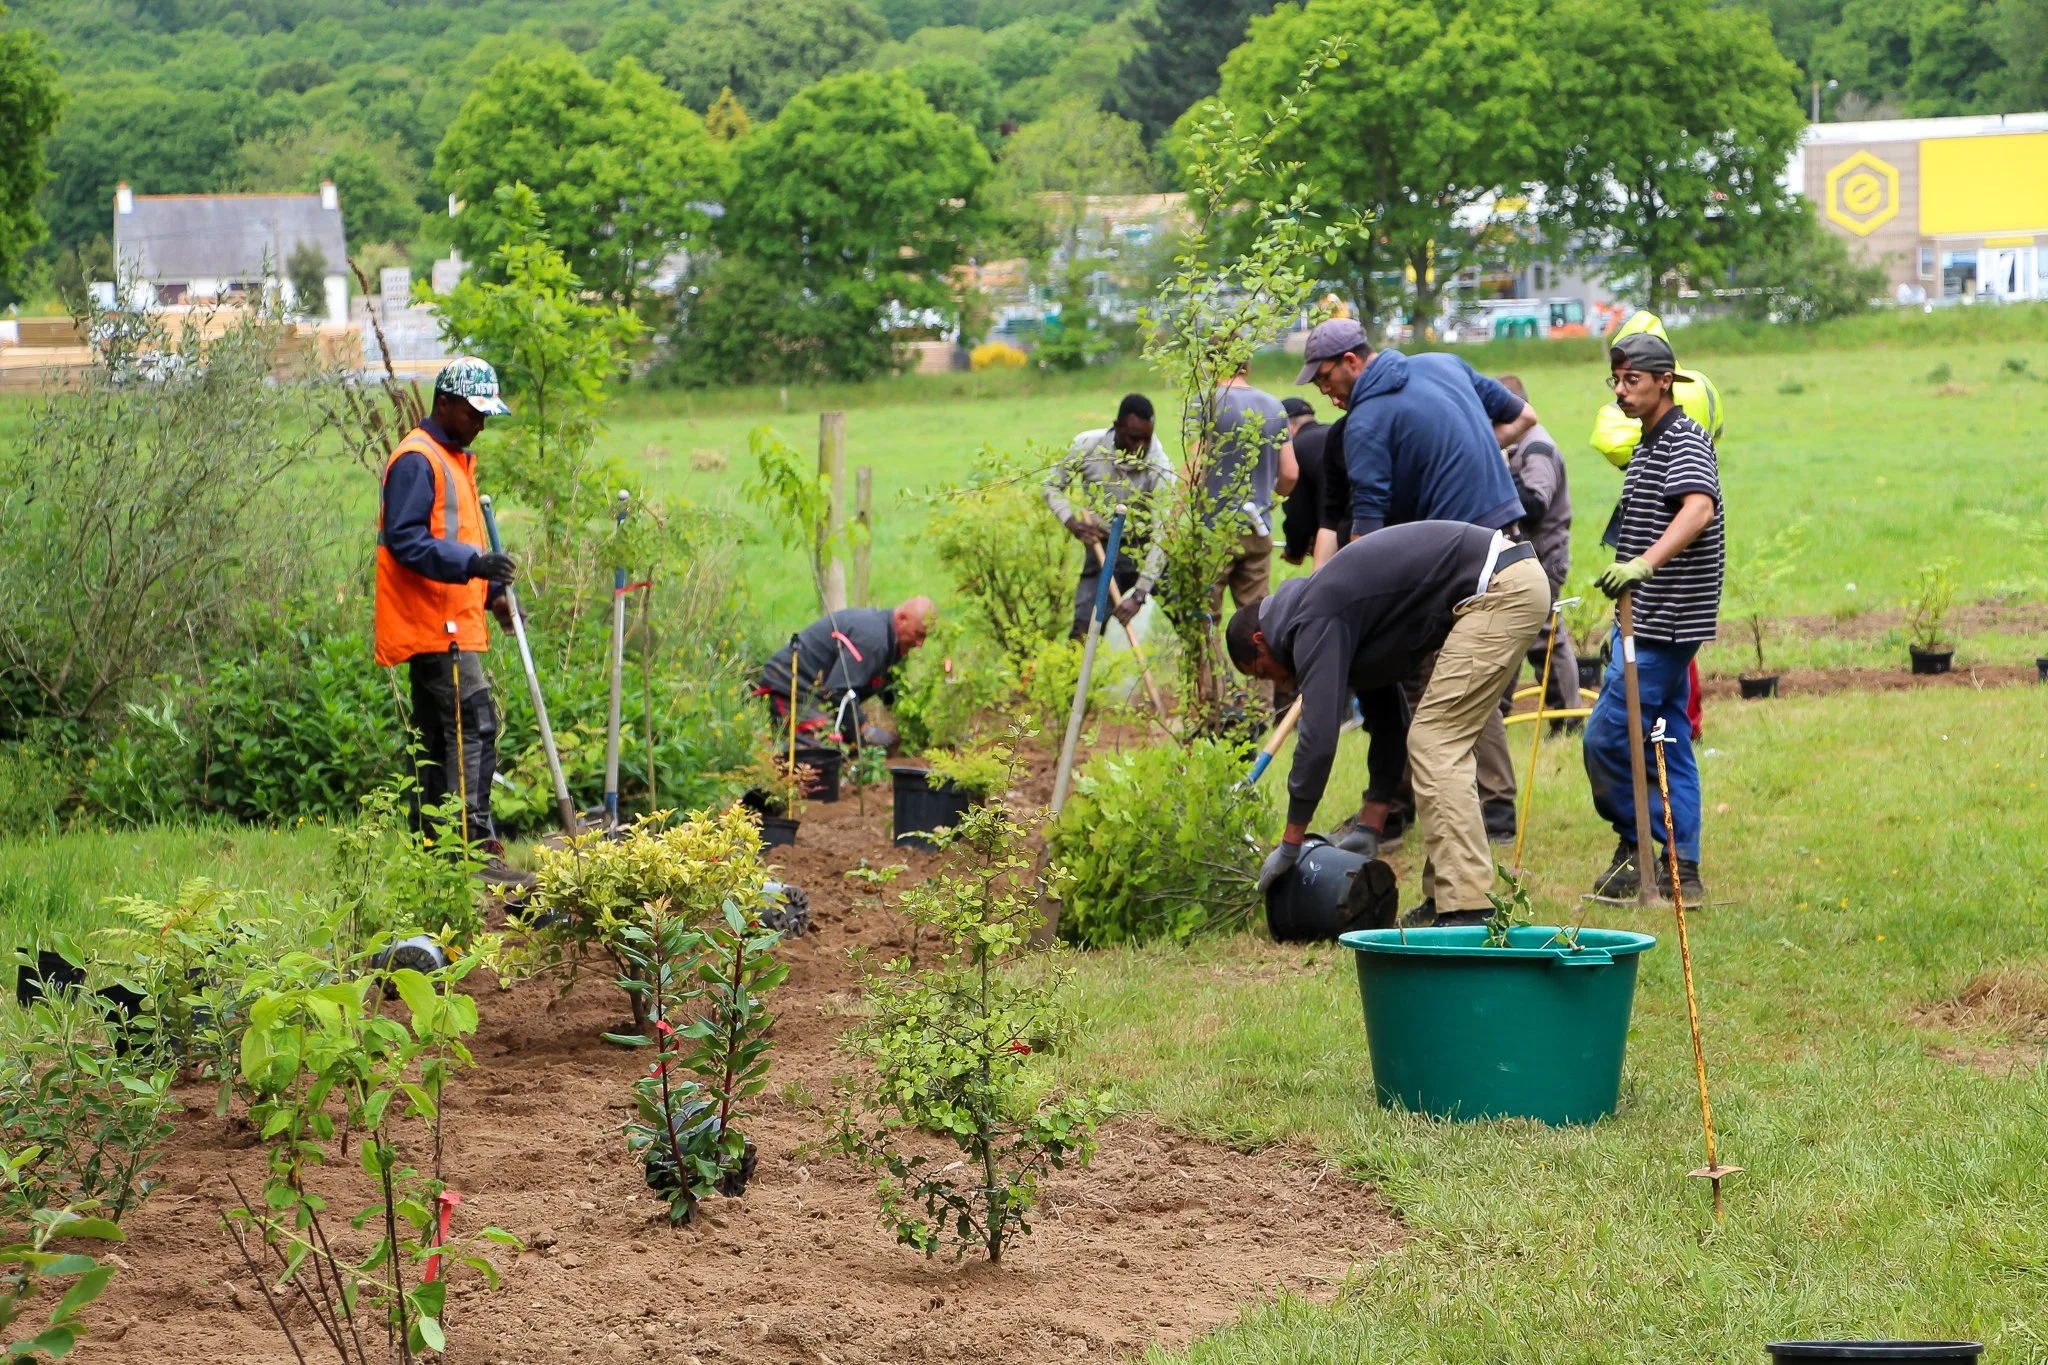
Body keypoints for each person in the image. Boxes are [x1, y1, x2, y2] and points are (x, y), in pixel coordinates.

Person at [1228, 522, 1549, 927]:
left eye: (1261, 672)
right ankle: (1446, 897)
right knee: (1434, 739)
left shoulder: (1312, 618)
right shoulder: (1330, 616)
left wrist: (1291, 844)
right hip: (1507, 582)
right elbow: (1388, 722)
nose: (1274, 682)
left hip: (1500, 588)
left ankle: (1467, 909)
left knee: (1436, 742)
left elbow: (1319, 739)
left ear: (1260, 640)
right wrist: (1372, 821)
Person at [1295, 317, 1534, 848]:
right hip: (1507, 540)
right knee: (1438, 678)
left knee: (1447, 679)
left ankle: (1491, 810)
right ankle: (1398, 806)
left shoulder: (1366, 422)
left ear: (1352, 362)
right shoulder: (1443, 365)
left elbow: (1369, 539)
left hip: (1457, 565)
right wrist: (1464, 454)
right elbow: (1523, 417)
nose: (1322, 389)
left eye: (1325, 377)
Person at [1583, 332, 1724, 904]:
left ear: (1664, 379)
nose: (1621, 390)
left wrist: (1643, 564)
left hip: (1667, 620)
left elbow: (1698, 507)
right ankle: (1680, 870)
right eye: (1615, 380)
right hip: (1643, 617)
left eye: (1631, 380)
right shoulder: (1646, 442)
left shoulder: (1684, 439)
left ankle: (1636, 844)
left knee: (1606, 738)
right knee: (1668, 743)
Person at [374, 358, 528, 880]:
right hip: (434, 628)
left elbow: (450, 543)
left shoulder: (452, 459)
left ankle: (440, 854)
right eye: (474, 412)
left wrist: (489, 595)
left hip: (455, 623)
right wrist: (474, 565)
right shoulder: (419, 460)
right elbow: (408, 540)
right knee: (471, 727)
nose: (482, 423)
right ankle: (468, 852)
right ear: (445, 404)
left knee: (448, 737)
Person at [1043, 393, 1174, 635]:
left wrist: (1140, 593)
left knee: (1190, 620)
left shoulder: (1160, 467)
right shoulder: (1087, 447)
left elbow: (1163, 532)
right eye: (1134, 438)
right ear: (1117, 427)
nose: (1140, 447)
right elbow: (1051, 485)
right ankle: (1077, 673)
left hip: (1147, 548)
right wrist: (1071, 522)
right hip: (1103, 550)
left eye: (1146, 439)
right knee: (1083, 630)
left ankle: (1204, 672)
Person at [1497, 374, 1576, 718]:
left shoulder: (1536, 448)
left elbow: (1536, 504)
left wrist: (1500, 474)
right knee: (1521, 631)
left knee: (1544, 636)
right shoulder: (1521, 445)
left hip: (1544, 557)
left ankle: (1568, 716)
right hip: (1531, 555)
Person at [757, 597, 935, 741]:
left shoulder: (891, 643)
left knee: (840, 741)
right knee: (820, 750)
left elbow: (890, 691)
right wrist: (864, 729)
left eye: (925, 637)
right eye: (918, 635)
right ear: (902, 619)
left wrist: (913, 727)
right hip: (791, 682)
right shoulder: (873, 641)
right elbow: (839, 690)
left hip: (819, 689)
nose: (920, 644)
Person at [1202, 361, 1297, 613]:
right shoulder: (1274, 405)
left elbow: (1194, 466)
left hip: (1212, 532)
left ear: (1210, 365)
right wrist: (1269, 503)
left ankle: (1208, 655)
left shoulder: (1206, 402)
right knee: (1255, 618)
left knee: (1203, 620)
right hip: (1257, 528)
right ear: (1248, 365)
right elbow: (1290, 473)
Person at [1277, 397, 1325, 565]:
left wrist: (1295, 551)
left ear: (1287, 427)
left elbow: (1298, 510)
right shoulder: (1336, 433)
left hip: (1334, 539)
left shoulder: (1297, 449)